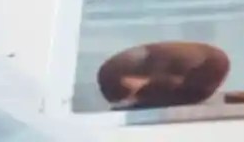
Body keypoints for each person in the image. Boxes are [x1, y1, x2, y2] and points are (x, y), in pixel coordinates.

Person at [97, 42, 231, 109]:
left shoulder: (166, 60)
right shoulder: (156, 59)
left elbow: (177, 82)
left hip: (207, 67)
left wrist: (146, 82)